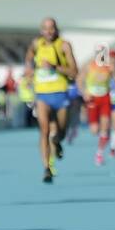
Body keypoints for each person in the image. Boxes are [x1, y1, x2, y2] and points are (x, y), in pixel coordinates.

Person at [25, 19, 78, 183]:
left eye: (51, 28)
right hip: (42, 94)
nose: (48, 32)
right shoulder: (36, 44)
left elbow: (74, 71)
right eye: (45, 29)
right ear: (41, 30)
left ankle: (57, 141)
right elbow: (28, 58)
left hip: (60, 93)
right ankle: (46, 168)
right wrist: (29, 70)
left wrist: (55, 67)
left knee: (60, 132)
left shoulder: (64, 45)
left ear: (56, 30)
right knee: (44, 130)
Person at [78, 44, 115, 166]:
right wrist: (84, 93)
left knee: (105, 126)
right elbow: (79, 80)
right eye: (99, 53)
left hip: (105, 98)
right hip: (92, 99)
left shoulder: (109, 66)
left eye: (103, 53)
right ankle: (103, 136)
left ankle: (99, 153)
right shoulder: (89, 66)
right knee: (94, 130)